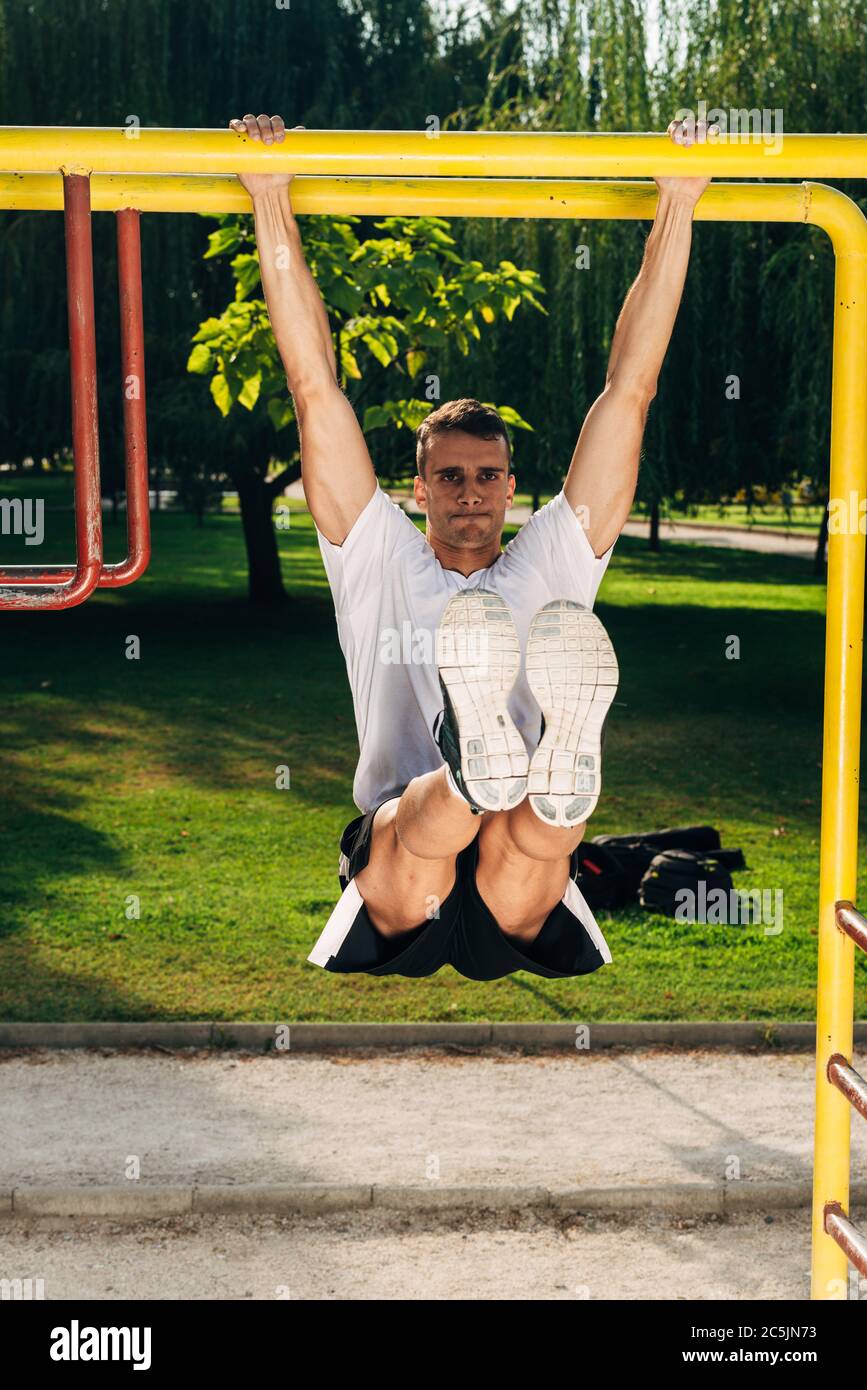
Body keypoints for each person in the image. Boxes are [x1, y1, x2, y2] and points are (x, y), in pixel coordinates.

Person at [229, 112, 709, 982]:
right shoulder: (377, 554)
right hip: (405, 851)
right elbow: (313, 386)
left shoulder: (547, 562)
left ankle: (521, 767)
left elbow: (629, 391)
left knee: (531, 838)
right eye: (448, 477)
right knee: (436, 829)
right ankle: (479, 770)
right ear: (416, 489)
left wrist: (677, 199)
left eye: (486, 476)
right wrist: (270, 195)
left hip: (489, 878)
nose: (469, 492)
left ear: (511, 488)